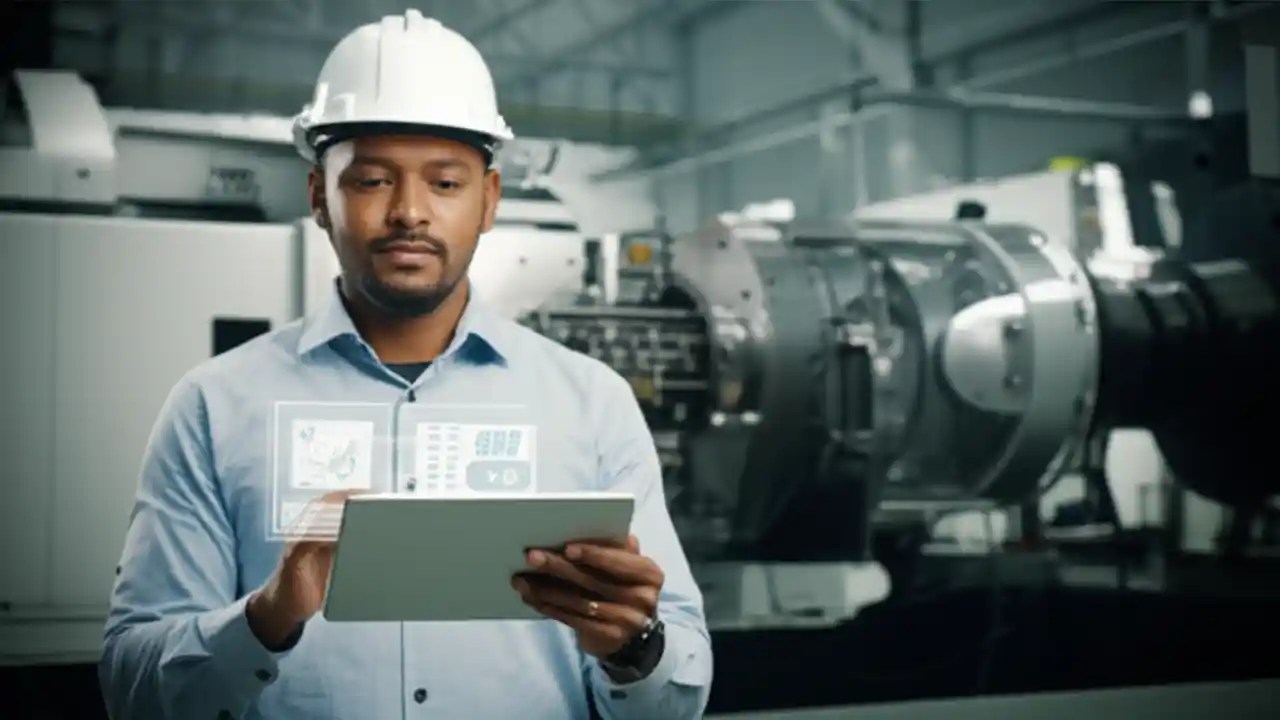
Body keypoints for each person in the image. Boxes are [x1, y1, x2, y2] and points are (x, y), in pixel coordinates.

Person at [98, 10, 712, 719]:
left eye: (446, 184)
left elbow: (679, 693)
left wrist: (634, 648)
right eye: (371, 181)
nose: (410, 213)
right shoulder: (214, 406)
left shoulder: (591, 405)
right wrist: (266, 616)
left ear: (489, 200)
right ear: (318, 199)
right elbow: (131, 689)